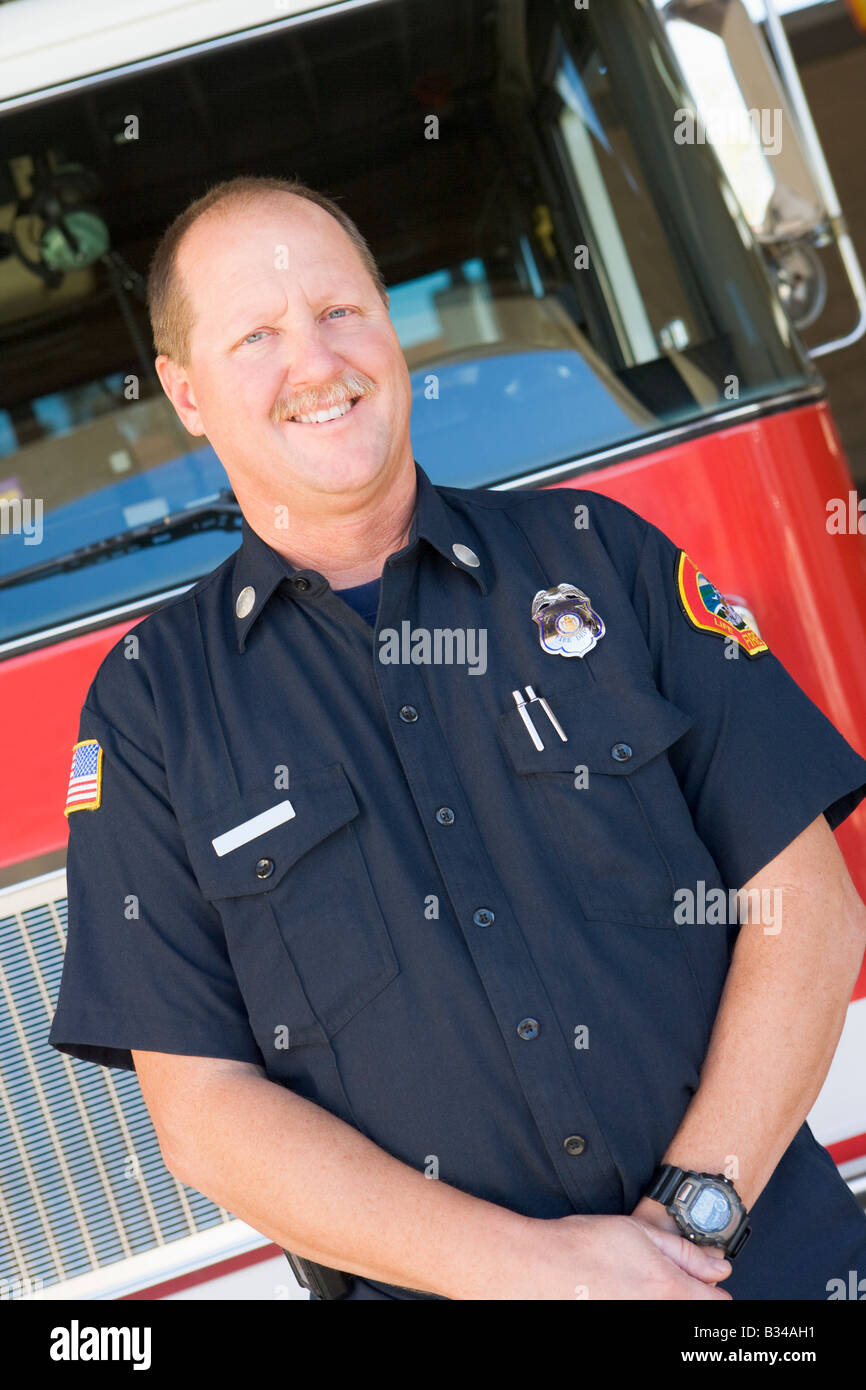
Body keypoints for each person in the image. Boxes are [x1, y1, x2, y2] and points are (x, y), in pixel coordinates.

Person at [50, 175, 866, 1301]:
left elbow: (806, 906)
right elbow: (204, 1112)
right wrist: (550, 1276)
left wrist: (691, 1217)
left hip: (763, 1281)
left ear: (388, 328)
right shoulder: (149, 712)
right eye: (256, 335)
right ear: (185, 391)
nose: (317, 363)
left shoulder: (600, 557)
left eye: (341, 311)